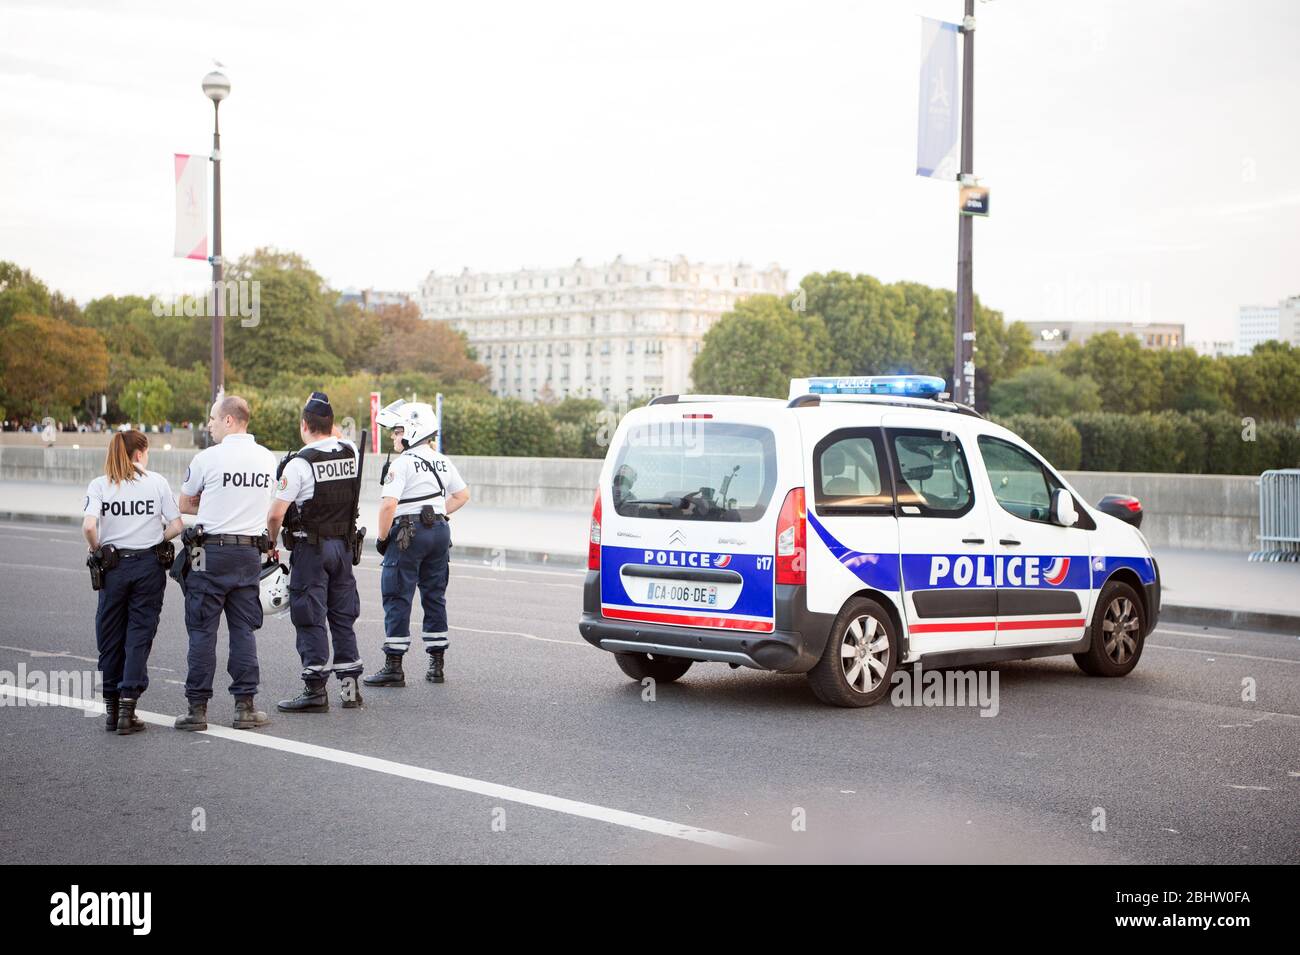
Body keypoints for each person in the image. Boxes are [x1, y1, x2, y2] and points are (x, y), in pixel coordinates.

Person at [174, 395, 278, 732]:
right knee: (243, 629)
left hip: (210, 552)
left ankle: (197, 709)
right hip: (249, 554)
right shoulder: (267, 459)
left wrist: (215, 501)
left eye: (213, 419)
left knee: (203, 629)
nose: (210, 424)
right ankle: (245, 706)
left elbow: (186, 504)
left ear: (230, 420)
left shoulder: (208, 458)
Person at [266, 392, 364, 713]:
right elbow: (336, 437)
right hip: (343, 548)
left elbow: (275, 515)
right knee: (342, 615)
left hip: (311, 549)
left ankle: (315, 690)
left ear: (304, 424)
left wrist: (270, 542)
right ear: (332, 424)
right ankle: (350, 691)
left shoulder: (298, 464)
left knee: (310, 614)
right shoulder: (350, 452)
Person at [82, 431, 184, 735]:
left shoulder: (100, 484)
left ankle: (112, 711)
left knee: (110, 634)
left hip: (114, 567)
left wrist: (97, 548)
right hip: (148, 566)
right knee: (139, 634)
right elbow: (177, 524)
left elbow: (89, 525)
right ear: (139, 453)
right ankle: (128, 706)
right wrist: (157, 538)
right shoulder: (156, 482)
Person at [363, 401, 469, 688]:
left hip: (408, 532)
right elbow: (462, 495)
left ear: (411, 429)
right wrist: (437, 513)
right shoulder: (441, 459)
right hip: (439, 532)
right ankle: (436, 665)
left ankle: (394, 667)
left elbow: (388, 507)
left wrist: (383, 538)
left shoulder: (403, 463)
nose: (393, 437)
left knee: (397, 594)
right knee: (434, 595)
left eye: (396, 431)